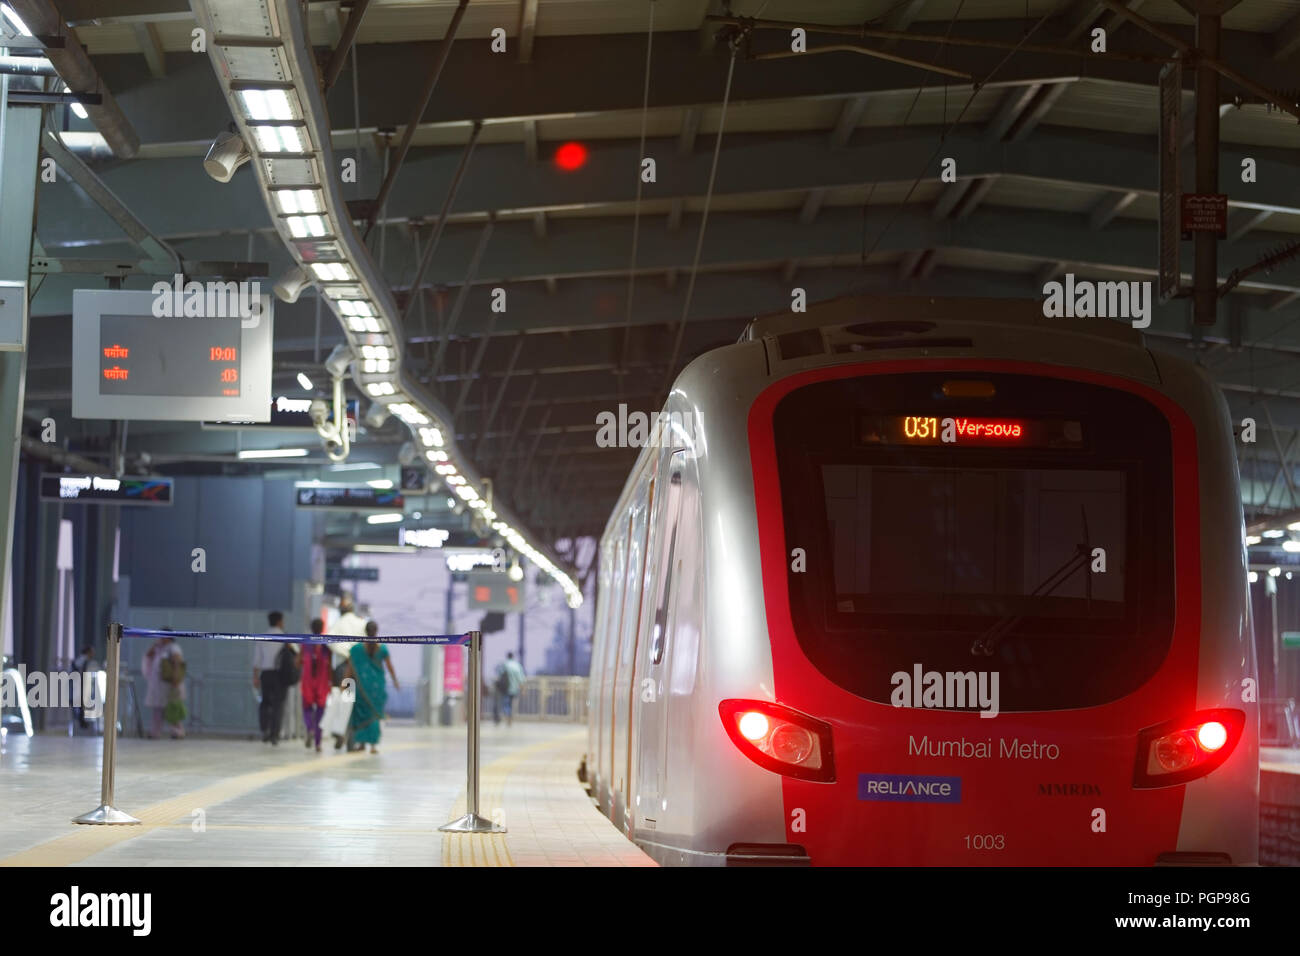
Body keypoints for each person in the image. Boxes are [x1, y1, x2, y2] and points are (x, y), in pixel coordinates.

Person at [344, 620, 398, 754]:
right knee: (374, 715)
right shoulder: (382, 648)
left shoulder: (356, 649)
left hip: (361, 687)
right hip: (376, 687)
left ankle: (361, 744)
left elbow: (350, 668)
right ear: (376, 631)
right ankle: (373, 745)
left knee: (361, 714)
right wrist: (395, 681)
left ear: (365, 631)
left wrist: (345, 684)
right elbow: (390, 667)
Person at [324, 594, 367, 750]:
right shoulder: (360, 623)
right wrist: (353, 654)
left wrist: (344, 652)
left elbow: (328, 639)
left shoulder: (338, 624)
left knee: (340, 702)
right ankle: (348, 738)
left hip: (342, 668)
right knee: (352, 705)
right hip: (356, 670)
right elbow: (366, 643)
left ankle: (339, 731)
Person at [255, 611, 290, 745]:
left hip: (265, 674)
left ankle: (265, 730)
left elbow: (257, 659)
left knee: (265, 703)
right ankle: (274, 735)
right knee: (278, 705)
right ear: (279, 621)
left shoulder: (261, 637)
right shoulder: (285, 637)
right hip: (279, 675)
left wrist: (255, 677)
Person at [143, 633, 186, 739]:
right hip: (159, 685)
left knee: (172, 708)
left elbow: (178, 662)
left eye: (163, 636)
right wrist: (155, 645)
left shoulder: (174, 648)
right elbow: (148, 655)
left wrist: (176, 678)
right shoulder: (159, 648)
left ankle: (178, 731)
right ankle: (155, 732)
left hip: (169, 684)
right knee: (158, 709)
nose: (160, 639)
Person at [300, 618, 331, 753]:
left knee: (307, 709)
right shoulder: (326, 644)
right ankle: (318, 743)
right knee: (320, 713)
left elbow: (298, 662)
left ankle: (310, 728)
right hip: (322, 681)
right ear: (322, 628)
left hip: (308, 680)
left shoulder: (305, 643)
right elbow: (330, 665)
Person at [493, 651, 526, 727]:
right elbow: (521, 678)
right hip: (515, 688)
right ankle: (510, 717)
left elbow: (499, 675)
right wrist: (523, 689)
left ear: (507, 656)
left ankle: (508, 717)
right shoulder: (517, 665)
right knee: (511, 703)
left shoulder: (505, 664)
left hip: (506, 688)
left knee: (506, 704)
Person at [71, 643, 96, 729]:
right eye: (92, 652)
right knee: (80, 703)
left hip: (81, 683)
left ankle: (82, 722)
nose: (93, 654)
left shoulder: (85, 659)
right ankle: (81, 722)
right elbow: (76, 668)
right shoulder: (82, 659)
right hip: (79, 684)